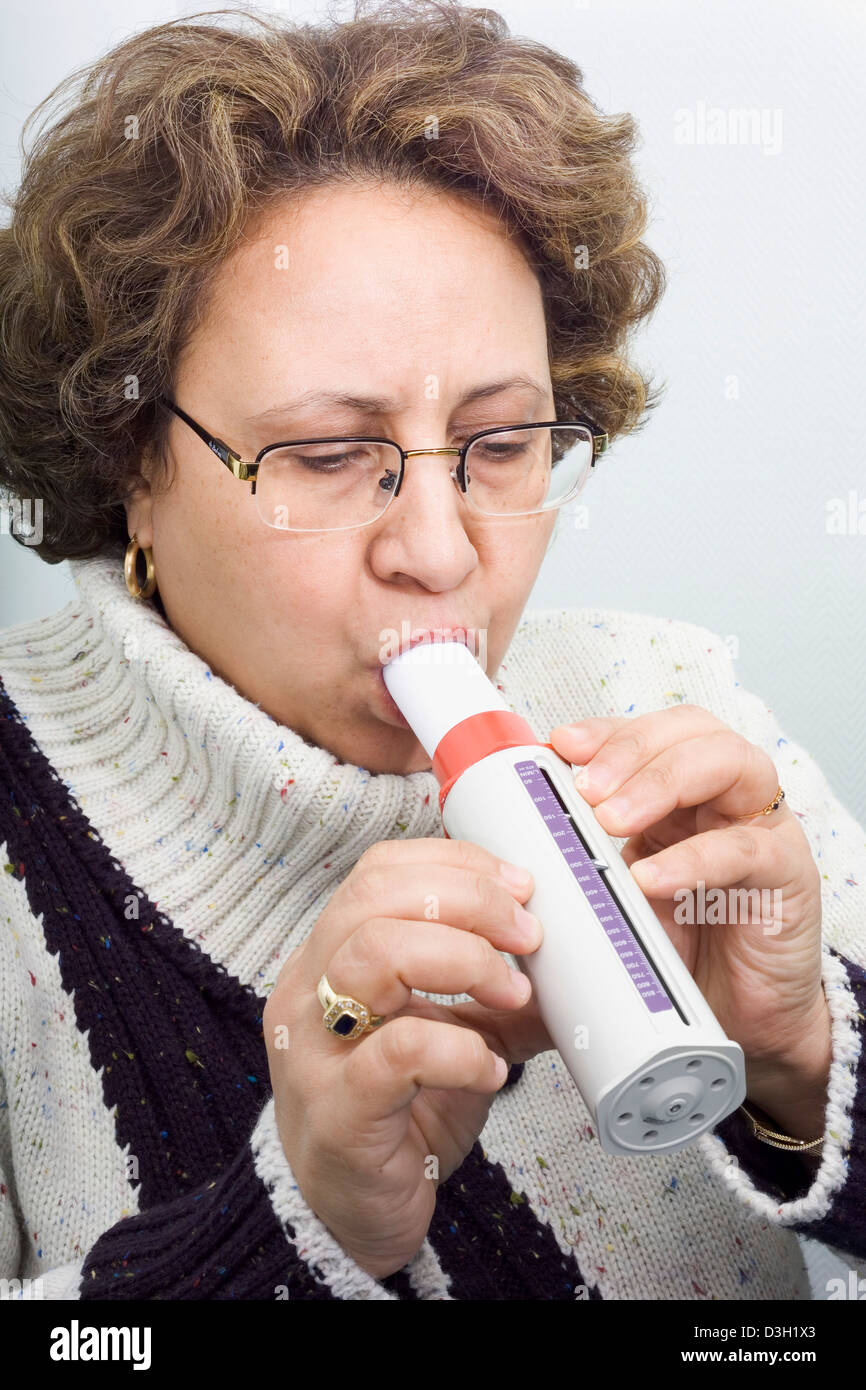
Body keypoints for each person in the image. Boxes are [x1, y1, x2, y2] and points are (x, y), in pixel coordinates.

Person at [0, 1, 863, 1302]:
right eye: (330, 454)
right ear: (132, 455)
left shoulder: (675, 701)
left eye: (504, 443)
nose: (444, 554)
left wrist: (809, 1065)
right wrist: (293, 1228)